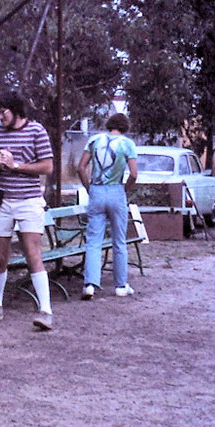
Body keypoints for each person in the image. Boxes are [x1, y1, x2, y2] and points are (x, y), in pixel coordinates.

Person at [0, 91, 55, 331]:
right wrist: (0, 164)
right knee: (0, 255)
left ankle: (45, 311)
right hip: (2, 201)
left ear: (17, 111)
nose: (0, 117)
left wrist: (17, 166)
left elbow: (47, 166)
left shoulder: (36, 131)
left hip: (29, 201)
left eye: (4, 112)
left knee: (32, 253)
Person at [77, 113, 138, 299]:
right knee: (119, 241)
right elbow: (134, 174)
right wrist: (124, 190)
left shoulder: (94, 140)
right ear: (125, 127)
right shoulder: (127, 144)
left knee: (93, 241)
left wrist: (89, 188)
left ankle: (90, 285)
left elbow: (81, 167)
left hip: (96, 190)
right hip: (116, 191)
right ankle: (120, 285)